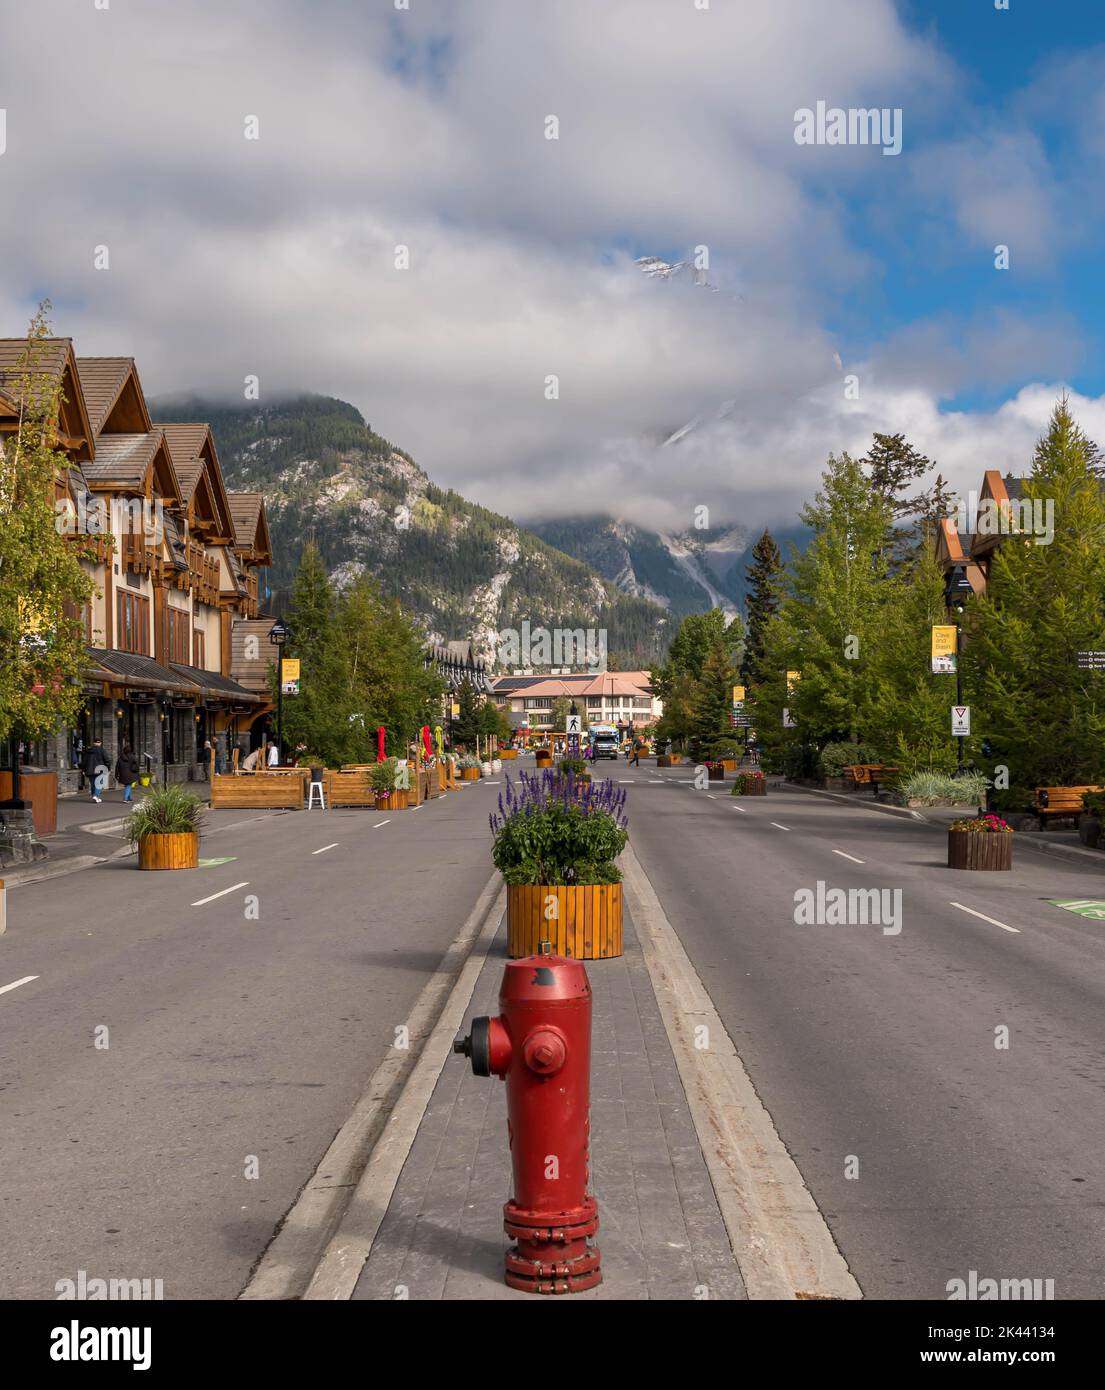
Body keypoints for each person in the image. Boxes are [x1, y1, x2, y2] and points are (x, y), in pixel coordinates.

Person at [82, 738, 109, 803]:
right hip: (100, 769)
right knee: (99, 783)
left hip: (89, 769)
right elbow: (107, 760)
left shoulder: (88, 751)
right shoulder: (102, 750)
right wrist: (108, 768)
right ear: (100, 743)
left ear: (93, 743)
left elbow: (84, 761)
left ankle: (95, 797)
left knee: (93, 784)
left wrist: (83, 769)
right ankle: (96, 795)